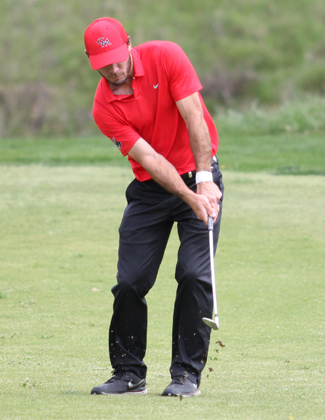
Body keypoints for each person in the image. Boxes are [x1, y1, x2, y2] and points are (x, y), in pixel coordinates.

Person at [83, 17, 223, 397]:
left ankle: (185, 375)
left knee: (194, 274)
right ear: (91, 61)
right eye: (102, 63)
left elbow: (194, 116)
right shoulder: (103, 106)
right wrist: (187, 196)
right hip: (151, 188)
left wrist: (204, 179)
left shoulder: (166, 56)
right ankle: (129, 374)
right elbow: (149, 158)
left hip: (198, 172)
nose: (113, 69)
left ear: (128, 44)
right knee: (130, 281)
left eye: (117, 58)